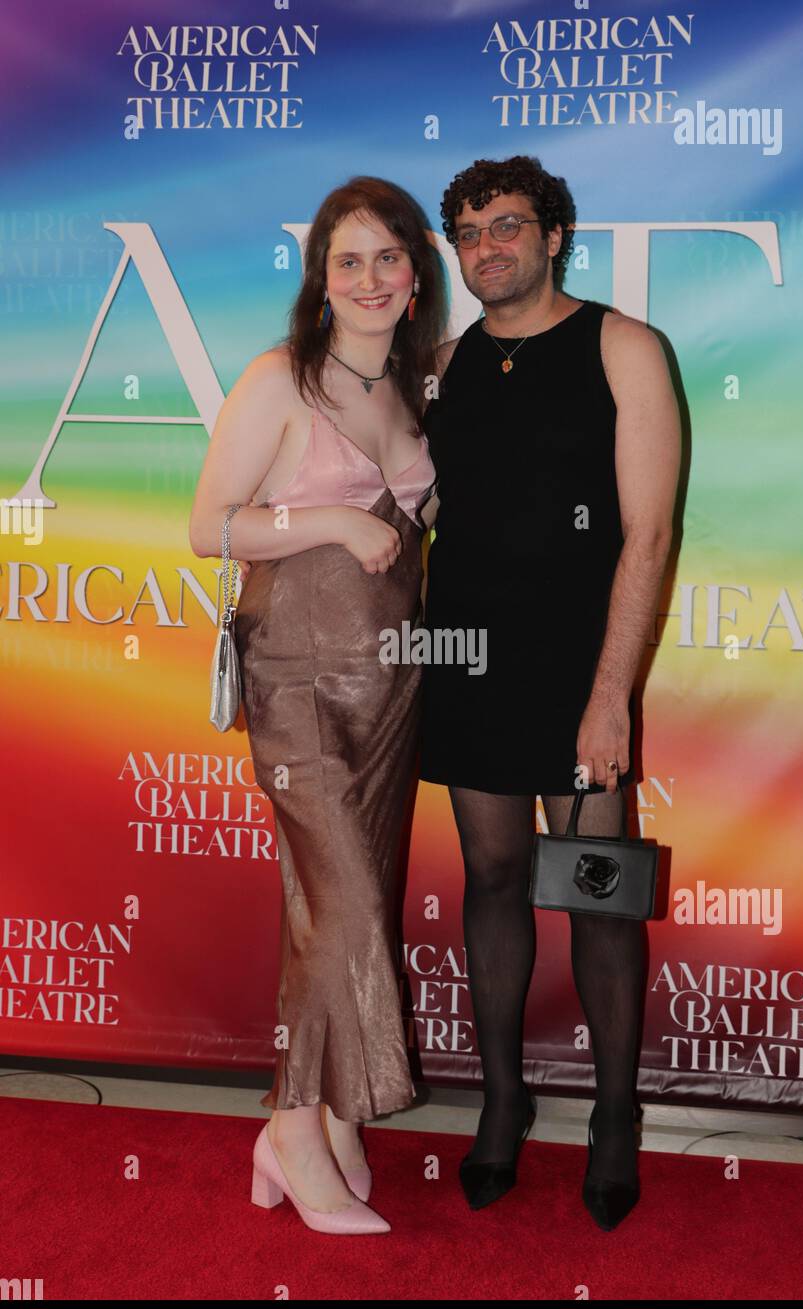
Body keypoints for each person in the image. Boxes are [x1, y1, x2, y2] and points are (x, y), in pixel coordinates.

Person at [419, 155, 681, 1227]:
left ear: (554, 234)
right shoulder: (439, 364)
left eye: (506, 227)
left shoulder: (623, 347)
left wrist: (609, 694)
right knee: (490, 880)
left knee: (597, 899)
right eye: (468, 234)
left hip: (580, 670)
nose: (487, 249)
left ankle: (613, 1119)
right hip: (465, 658)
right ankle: (501, 1105)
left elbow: (648, 533)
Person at [189, 176, 445, 1235]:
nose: (371, 277)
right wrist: (336, 527)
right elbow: (211, 528)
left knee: (335, 907)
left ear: (414, 273)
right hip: (297, 679)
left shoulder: (411, 388)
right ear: (320, 279)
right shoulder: (278, 381)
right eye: (349, 260)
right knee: (343, 907)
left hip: (388, 685)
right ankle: (295, 1128)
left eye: (389, 256)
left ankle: (327, 1116)